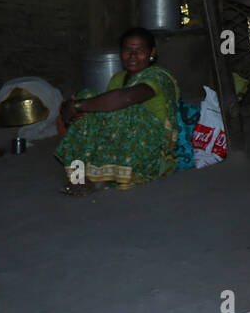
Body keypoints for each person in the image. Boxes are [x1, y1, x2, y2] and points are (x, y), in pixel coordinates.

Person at [56, 27, 182, 194]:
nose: (132, 56)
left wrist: (78, 106)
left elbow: (126, 99)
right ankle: (81, 177)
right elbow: (101, 109)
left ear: (152, 52)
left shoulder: (158, 76)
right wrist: (74, 107)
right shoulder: (118, 78)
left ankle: (104, 179)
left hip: (151, 145)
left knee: (119, 109)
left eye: (140, 50)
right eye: (127, 50)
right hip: (124, 138)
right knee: (89, 99)